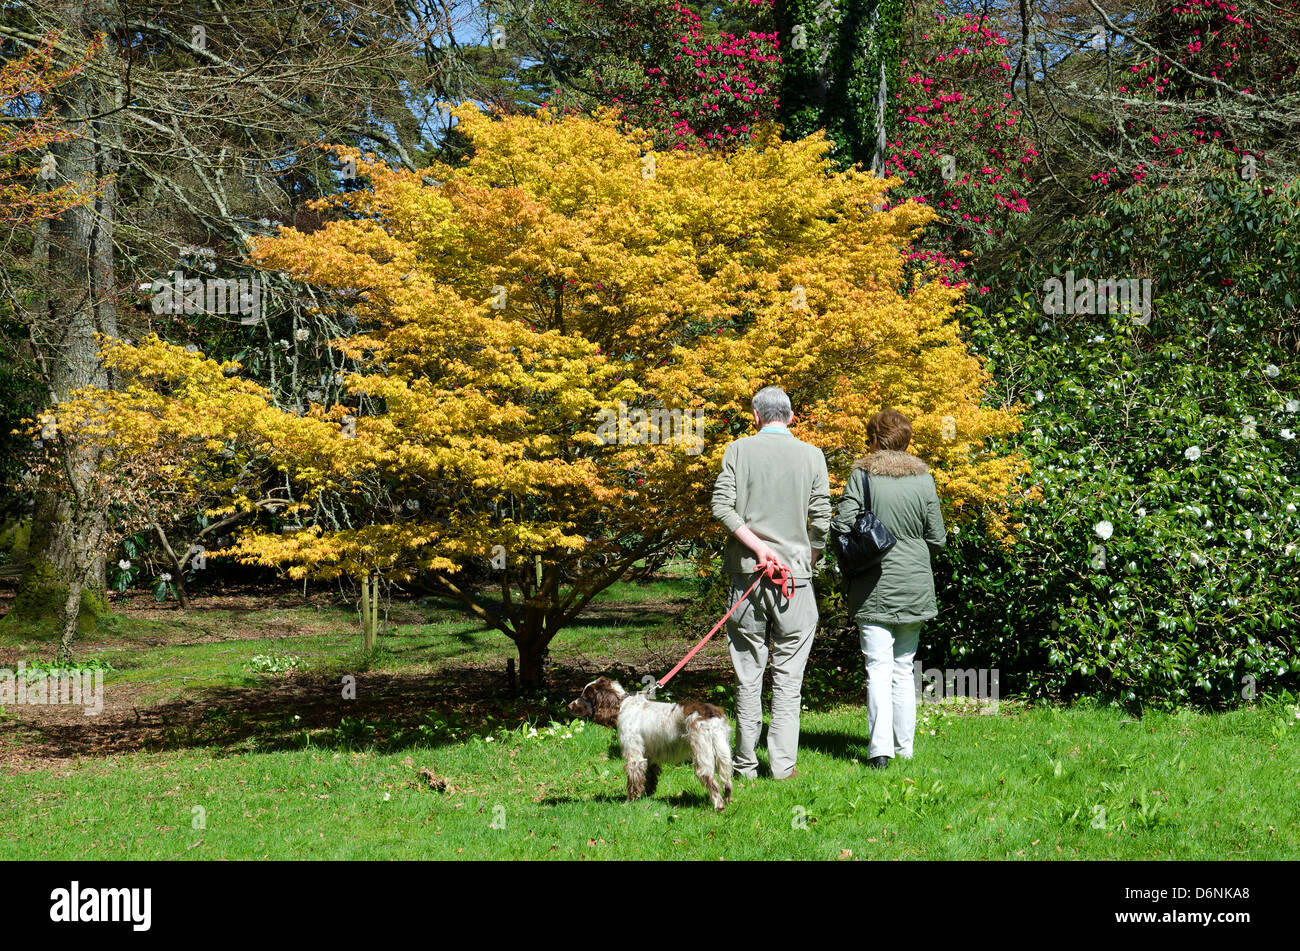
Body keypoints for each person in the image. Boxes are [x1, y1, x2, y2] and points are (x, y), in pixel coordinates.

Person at [710, 385, 831, 780]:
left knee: (748, 673)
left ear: (756, 416)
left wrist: (756, 548)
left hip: (747, 576)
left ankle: (745, 764)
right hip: (795, 581)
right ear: (791, 417)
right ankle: (782, 766)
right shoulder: (813, 456)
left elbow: (721, 506)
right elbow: (821, 522)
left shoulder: (738, 450)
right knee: (789, 676)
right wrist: (806, 561)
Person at [832, 409, 946, 770]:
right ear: (906, 440)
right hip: (915, 585)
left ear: (876, 440)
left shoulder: (862, 476)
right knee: (903, 667)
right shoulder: (925, 479)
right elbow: (937, 537)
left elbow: (841, 522)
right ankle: (905, 749)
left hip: (874, 585)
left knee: (878, 667)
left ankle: (879, 751)